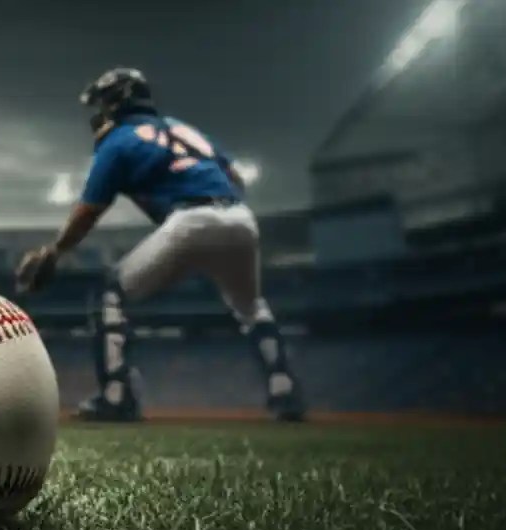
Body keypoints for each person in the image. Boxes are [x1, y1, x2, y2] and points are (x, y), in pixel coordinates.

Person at [15, 67, 306, 422]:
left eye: (103, 104)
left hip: (190, 221)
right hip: (239, 217)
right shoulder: (183, 128)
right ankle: (284, 391)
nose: (99, 114)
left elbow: (88, 211)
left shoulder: (118, 140)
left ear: (117, 101)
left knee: (110, 294)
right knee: (251, 308)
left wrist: (55, 251)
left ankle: (116, 394)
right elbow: (234, 178)